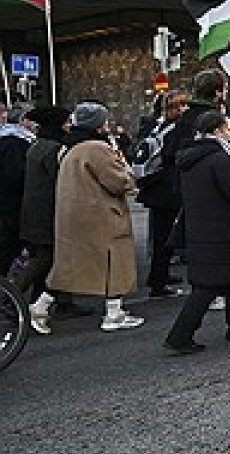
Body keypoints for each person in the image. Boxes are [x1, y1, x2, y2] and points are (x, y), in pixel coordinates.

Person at [31, 102, 145, 334]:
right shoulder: (96, 148)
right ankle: (114, 313)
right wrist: (127, 172)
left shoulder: (67, 147)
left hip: (74, 214)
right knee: (115, 261)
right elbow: (118, 181)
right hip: (102, 213)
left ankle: (41, 305)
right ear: (98, 124)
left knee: (70, 266)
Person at [164, 112, 230, 354]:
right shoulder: (218, 159)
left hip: (203, 225)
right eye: (227, 129)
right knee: (208, 287)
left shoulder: (190, 157)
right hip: (224, 226)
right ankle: (180, 336)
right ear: (217, 131)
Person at [13, 107, 79, 315]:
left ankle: (46, 299)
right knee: (45, 258)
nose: (69, 126)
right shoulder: (54, 149)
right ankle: (12, 297)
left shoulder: (36, 145)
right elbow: (62, 179)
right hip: (48, 212)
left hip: (33, 210)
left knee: (47, 257)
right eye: (66, 122)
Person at [137, 90, 187, 298]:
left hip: (154, 186)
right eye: (182, 105)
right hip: (166, 188)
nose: (185, 109)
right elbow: (172, 156)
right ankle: (158, 281)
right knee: (165, 236)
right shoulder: (176, 129)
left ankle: (160, 274)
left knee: (161, 234)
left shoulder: (155, 126)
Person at [0, 101, 34, 276]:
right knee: (8, 248)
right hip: (11, 205)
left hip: (8, 204)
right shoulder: (16, 142)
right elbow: (15, 176)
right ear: (24, 120)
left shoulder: (7, 139)